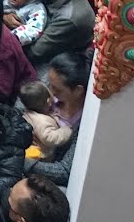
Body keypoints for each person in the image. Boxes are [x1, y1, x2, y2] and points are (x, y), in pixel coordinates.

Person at [25, 52, 89, 186]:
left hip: (41, 168)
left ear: (78, 91)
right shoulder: (51, 81)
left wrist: (20, 160)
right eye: (49, 84)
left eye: (57, 90)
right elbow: (24, 103)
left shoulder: (83, 124)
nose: (51, 92)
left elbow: (63, 171)